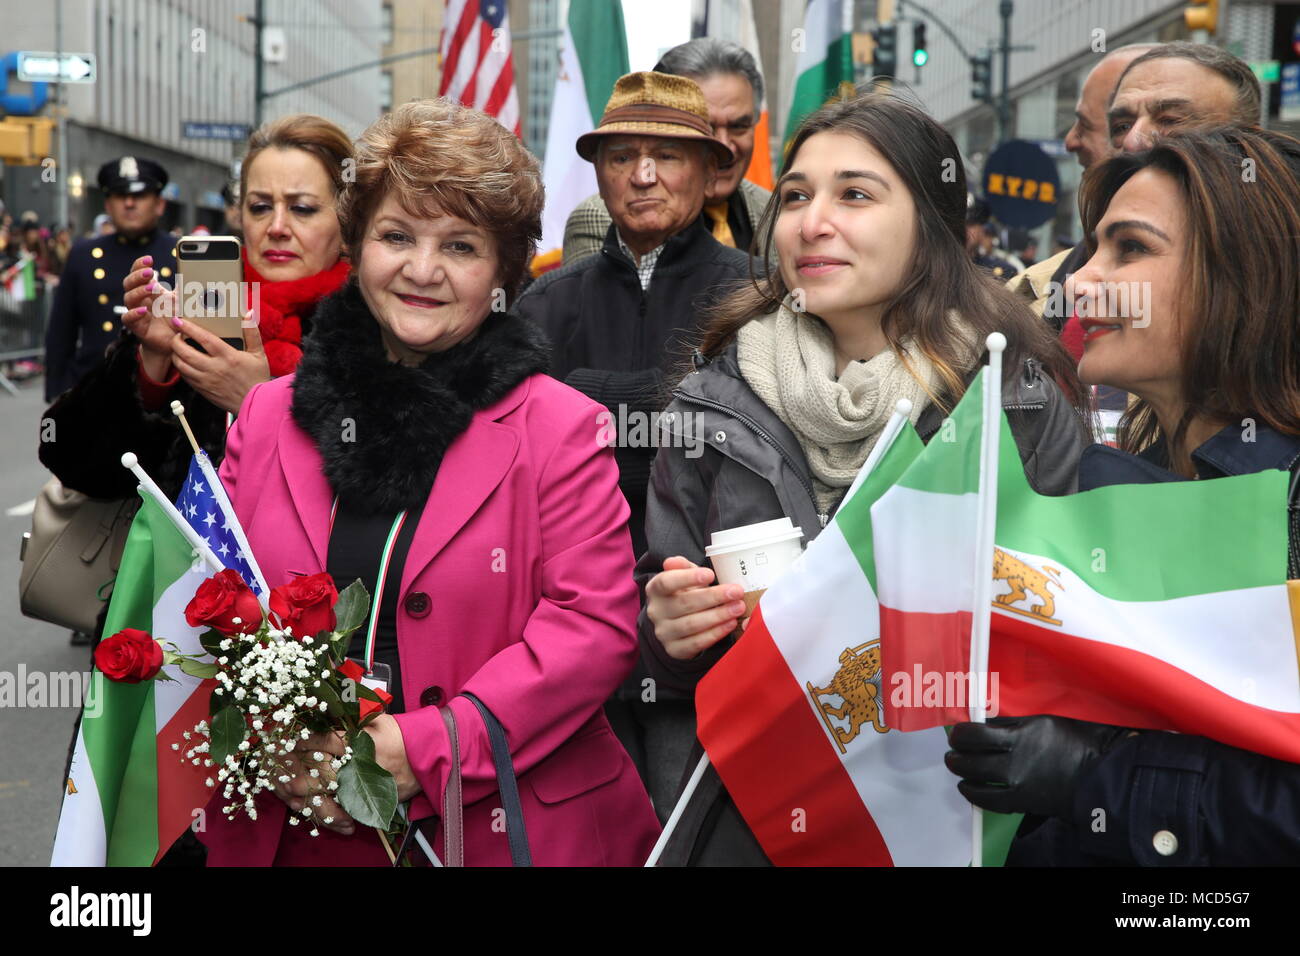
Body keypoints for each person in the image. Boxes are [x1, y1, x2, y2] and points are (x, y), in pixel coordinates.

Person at [197, 98, 661, 867]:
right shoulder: (266, 414)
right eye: (396, 236)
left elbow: (592, 630)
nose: (421, 270)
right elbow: (217, 594)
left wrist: (426, 748)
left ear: (505, 271)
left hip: (495, 826)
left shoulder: (561, 427)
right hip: (292, 821)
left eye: (461, 246)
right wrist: (276, 733)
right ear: (356, 243)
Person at [637, 87, 1090, 865]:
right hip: (753, 821)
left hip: (941, 816)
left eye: (856, 195)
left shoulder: (1012, 400)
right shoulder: (706, 402)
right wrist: (668, 634)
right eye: (796, 197)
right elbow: (662, 647)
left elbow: (1068, 636)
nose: (814, 222)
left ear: (931, 226)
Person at [948, 126, 1300, 865]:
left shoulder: (1290, 507)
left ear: (1245, 274)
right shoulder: (1127, 475)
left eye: (1130, 249)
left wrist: (1093, 777)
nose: (1081, 280)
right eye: (1092, 248)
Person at [40, 114, 354, 507]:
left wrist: (257, 403)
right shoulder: (196, 308)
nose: (276, 226)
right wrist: (150, 368)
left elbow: (378, 489)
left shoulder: (374, 327)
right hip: (185, 566)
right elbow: (73, 462)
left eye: (302, 208)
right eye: (259, 207)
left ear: (346, 220)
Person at [516, 71, 752, 560]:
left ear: (710, 174)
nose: (643, 176)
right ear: (599, 174)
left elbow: (738, 437)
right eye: (622, 157)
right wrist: (673, 394)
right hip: (567, 574)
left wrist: (582, 393)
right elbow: (519, 450)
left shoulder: (753, 294)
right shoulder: (543, 303)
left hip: (709, 577)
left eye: (666, 156)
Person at [562, 38, 771, 263]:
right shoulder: (602, 219)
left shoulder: (774, 211)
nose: (725, 145)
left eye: (738, 126)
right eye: (705, 128)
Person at [43, 157, 177, 400]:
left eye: (140, 196)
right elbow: (61, 332)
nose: (128, 203)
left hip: (165, 396)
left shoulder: (180, 254)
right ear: (107, 205)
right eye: (119, 195)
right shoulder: (83, 254)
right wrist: (57, 393)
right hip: (91, 392)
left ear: (159, 204)